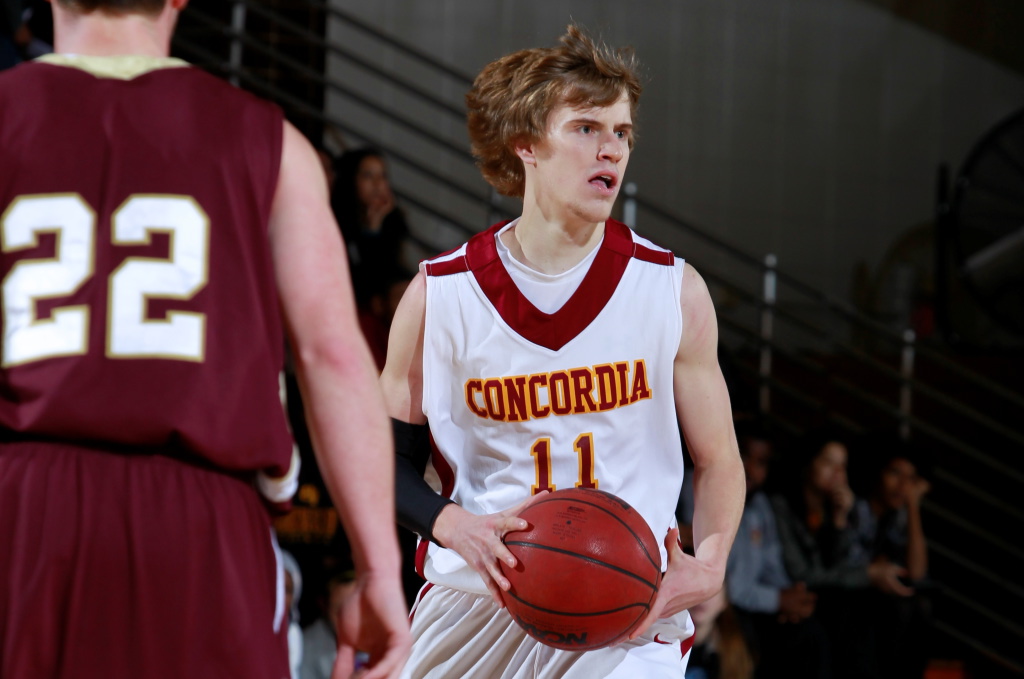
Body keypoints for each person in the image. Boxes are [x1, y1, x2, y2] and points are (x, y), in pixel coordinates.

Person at [0, 2, 410, 678]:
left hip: (22, 503)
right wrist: (379, 566)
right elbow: (332, 356)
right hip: (199, 522)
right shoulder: (274, 144)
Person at [380, 24, 745, 678]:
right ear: (526, 144)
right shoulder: (440, 296)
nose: (611, 148)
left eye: (623, 132)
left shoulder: (673, 291)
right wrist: (450, 523)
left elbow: (719, 460)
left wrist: (710, 564)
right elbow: (381, 465)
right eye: (585, 128)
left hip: (625, 605)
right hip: (476, 597)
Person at [726, 420, 830, 679]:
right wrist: (778, 601)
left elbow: (773, 564)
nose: (750, 469)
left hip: (754, 603)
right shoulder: (699, 494)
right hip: (721, 608)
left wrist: (792, 600)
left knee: (814, 628)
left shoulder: (759, 504)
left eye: (760, 463)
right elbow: (732, 588)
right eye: (743, 456)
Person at [331, 147, 410, 309]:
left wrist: (376, 226)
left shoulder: (392, 220)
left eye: (383, 176)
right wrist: (371, 231)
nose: (378, 184)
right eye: (368, 176)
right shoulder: (336, 219)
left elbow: (389, 271)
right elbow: (361, 280)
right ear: (352, 179)